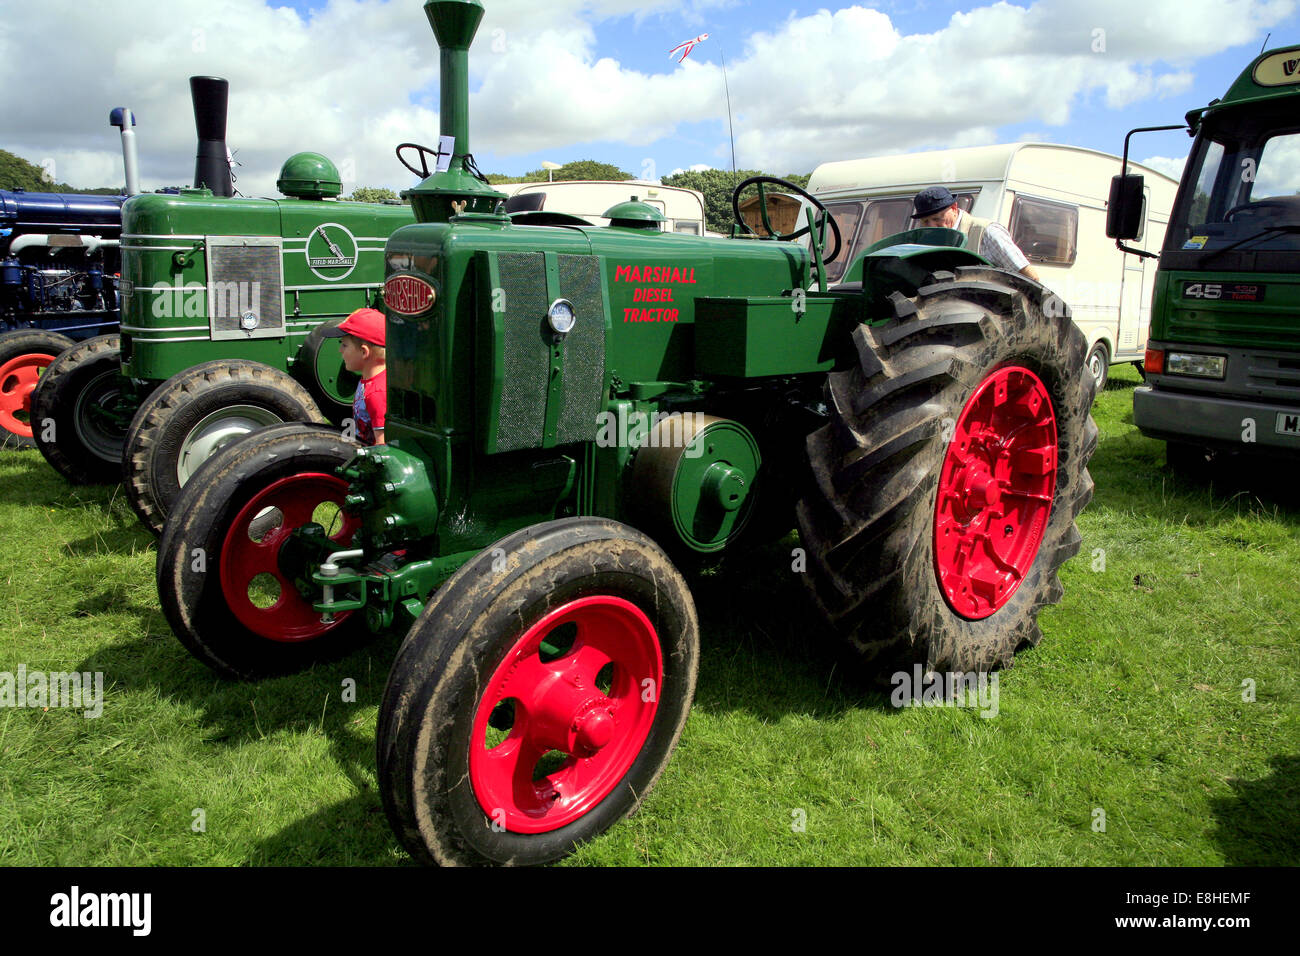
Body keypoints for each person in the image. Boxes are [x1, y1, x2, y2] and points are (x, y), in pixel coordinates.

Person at [911, 186, 1041, 282]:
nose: (931, 226)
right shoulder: (927, 240)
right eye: (925, 221)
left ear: (954, 209)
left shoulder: (987, 232)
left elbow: (1030, 277)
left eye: (937, 218)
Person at [323, 307, 386, 445]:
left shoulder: (377, 392)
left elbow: (383, 447)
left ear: (364, 352)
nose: (340, 350)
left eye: (344, 345)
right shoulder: (366, 381)